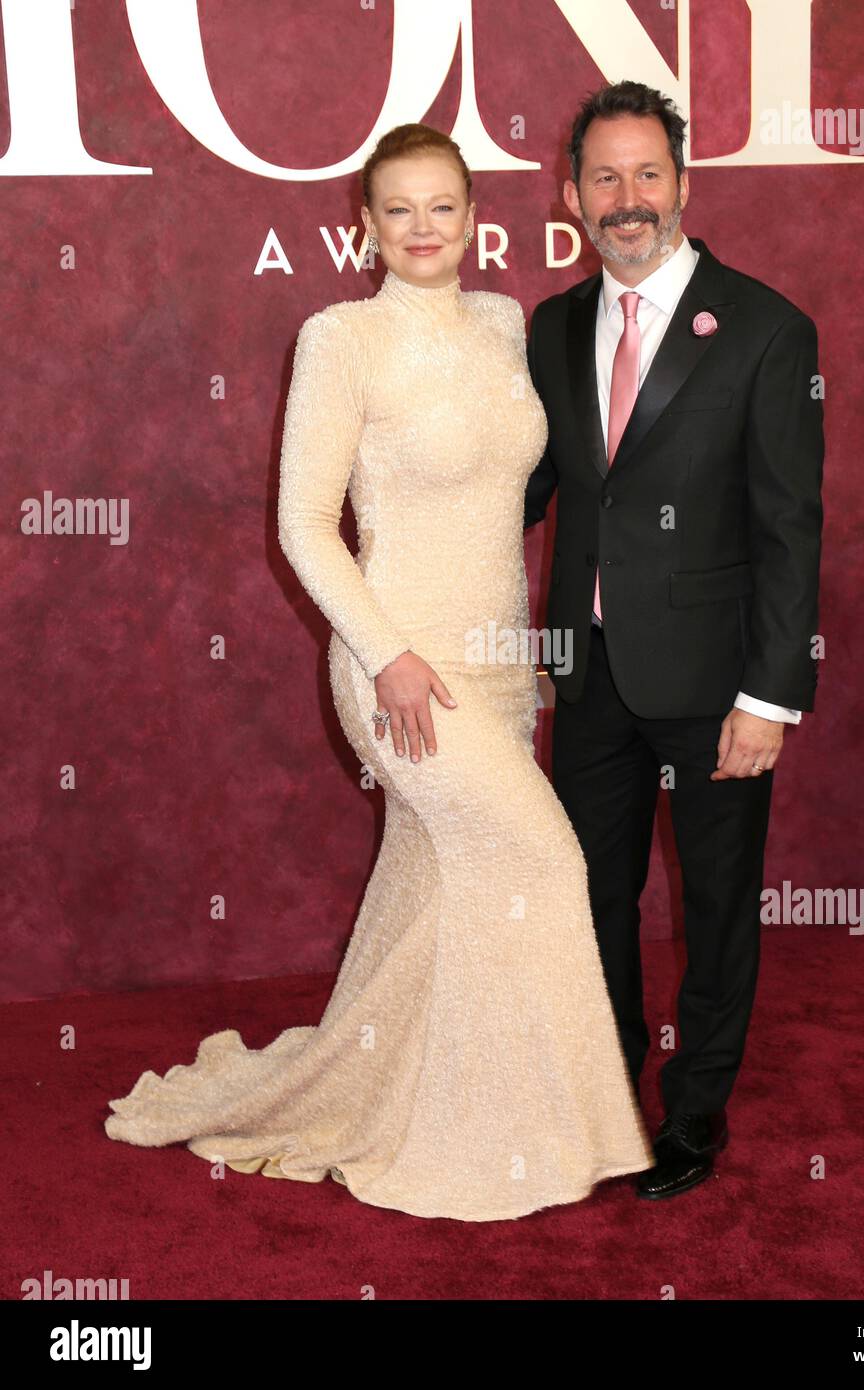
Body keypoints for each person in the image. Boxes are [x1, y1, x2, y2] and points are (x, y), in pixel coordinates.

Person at [104, 122, 652, 1222]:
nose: (421, 229)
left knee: (441, 894)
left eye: (441, 207)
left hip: (498, 672)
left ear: (474, 219)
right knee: (544, 862)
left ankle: (400, 1086)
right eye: (396, 210)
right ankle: (536, 1135)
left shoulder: (504, 323)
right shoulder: (340, 337)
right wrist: (387, 652)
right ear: (363, 226)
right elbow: (304, 525)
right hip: (397, 665)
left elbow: (524, 495)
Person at [524, 82, 825, 1200]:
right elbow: (538, 486)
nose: (628, 198)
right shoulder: (551, 328)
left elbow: (792, 527)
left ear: (685, 185)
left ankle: (695, 1112)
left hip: (716, 685)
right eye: (604, 177)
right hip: (589, 672)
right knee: (588, 896)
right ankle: (609, 1096)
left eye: (648, 174)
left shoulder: (765, 328)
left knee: (714, 901)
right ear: (571, 197)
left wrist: (771, 697)